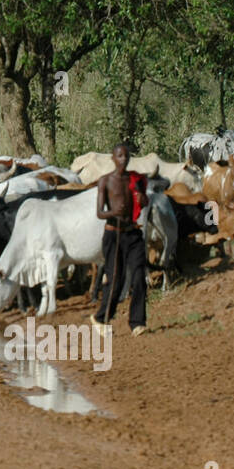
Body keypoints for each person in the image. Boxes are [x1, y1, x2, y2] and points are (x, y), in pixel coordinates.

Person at [91, 142, 149, 337]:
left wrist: (143, 200)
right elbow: (100, 213)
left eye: (126, 156)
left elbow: (144, 200)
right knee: (116, 278)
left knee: (139, 274)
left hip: (133, 233)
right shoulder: (105, 181)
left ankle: (137, 322)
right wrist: (113, 212)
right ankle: (101, 318)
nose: (123, 159)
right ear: (113, 158)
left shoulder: (136, 180)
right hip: (113, 234)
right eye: (120, 155)